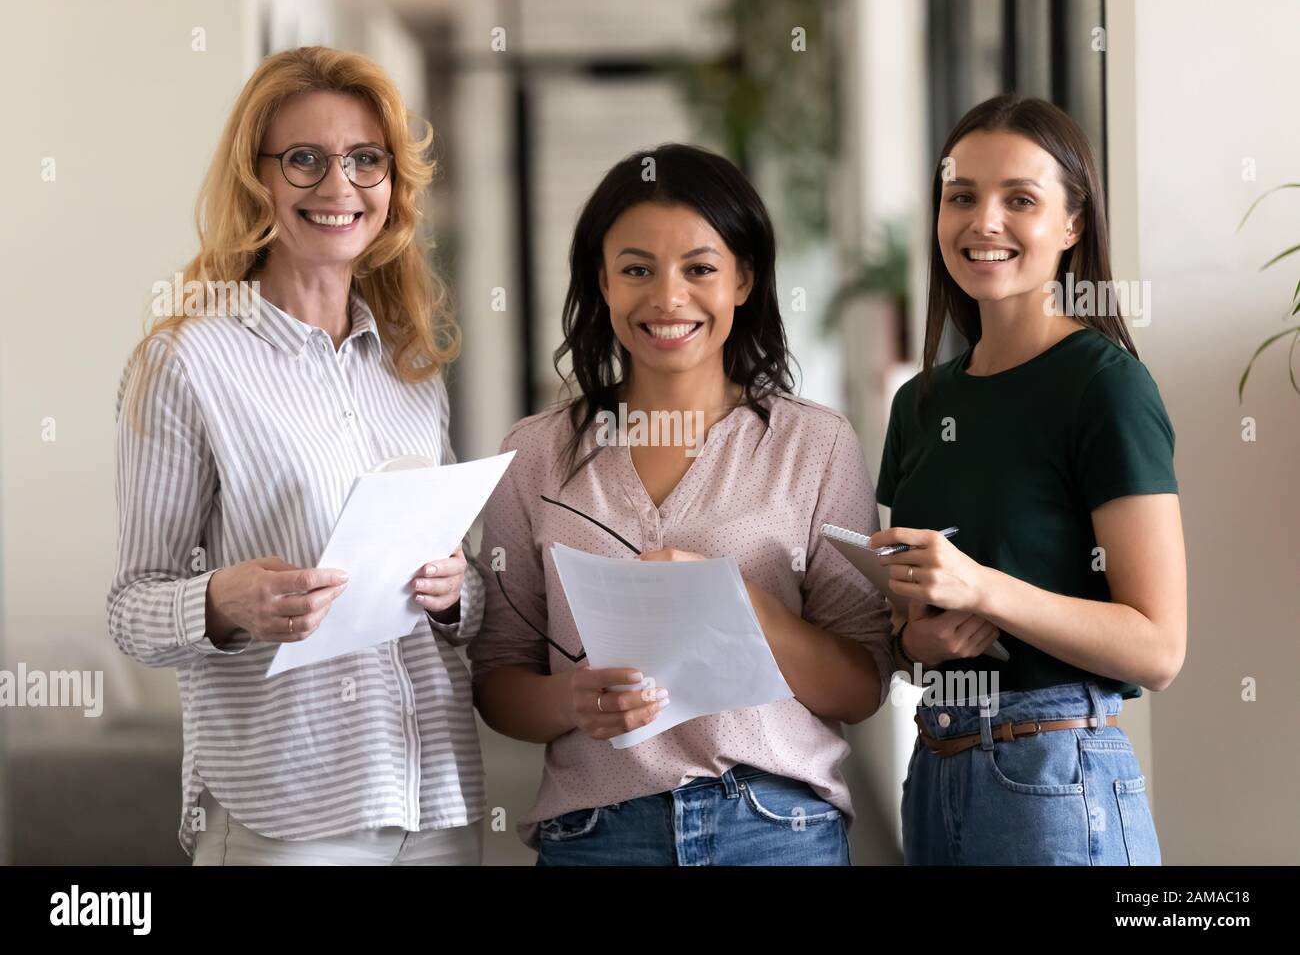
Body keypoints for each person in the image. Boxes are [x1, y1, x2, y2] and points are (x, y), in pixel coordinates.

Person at [107, 46, 485, 865]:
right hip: (290, 817)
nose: (339, 186)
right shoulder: (187, 362)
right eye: (305, 159)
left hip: (437, 806)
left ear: (392, 181)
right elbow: (131, 608)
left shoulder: (410, 367)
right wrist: (222, 600)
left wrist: (459, 592)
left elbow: (470, 599)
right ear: (257, 180)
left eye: (364, 160)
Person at [470, 143, 894, 866]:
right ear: (602, 282)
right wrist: (572, 701)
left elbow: (861, 686)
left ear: (743, 280)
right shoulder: (535, 454)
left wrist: (744, 610)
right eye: (637, 269)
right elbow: (498, 678)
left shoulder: (815, 444)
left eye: (699, 269)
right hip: (597, 837)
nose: (668, 298)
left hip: (775, 831)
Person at [873, 94, 1186, 865]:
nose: (983, 222)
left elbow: (1159, 647)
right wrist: (921, 641)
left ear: (1073, 226)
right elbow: (903, 640)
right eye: (961, 198)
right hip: (937, 769)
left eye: (1020, 199)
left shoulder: (1103, 386)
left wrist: (985, 590)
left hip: (1055, 777)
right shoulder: (920, 403)